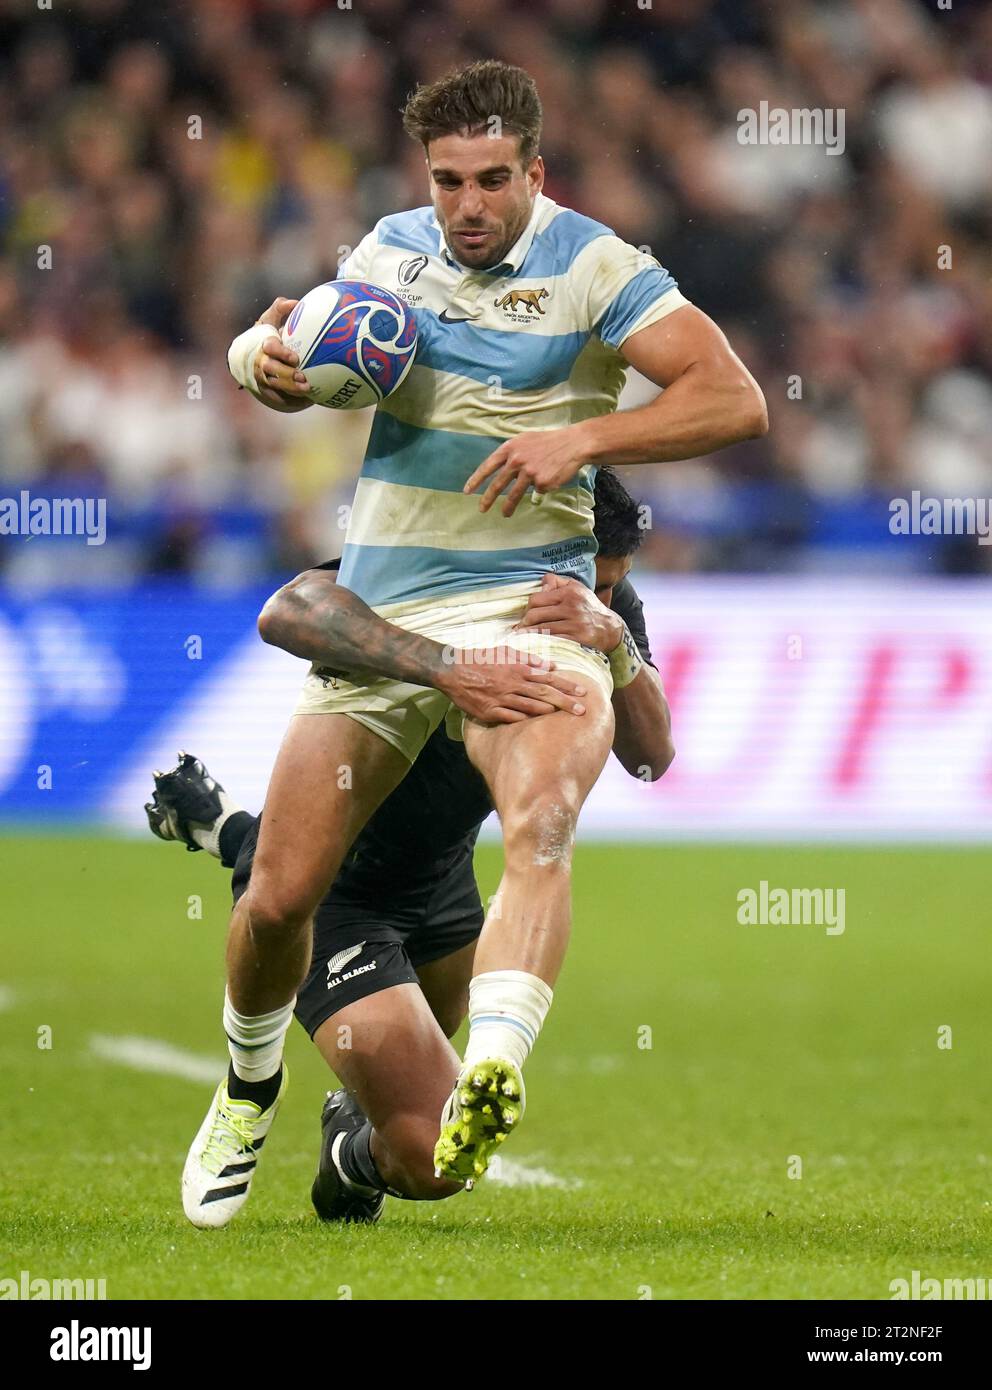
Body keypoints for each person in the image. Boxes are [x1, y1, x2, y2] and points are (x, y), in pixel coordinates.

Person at [187, 57, 766, 1227]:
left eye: (492, 180)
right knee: (278, 900)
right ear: (426, 178)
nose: (468, 206)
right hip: (388, 618)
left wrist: (585, 436)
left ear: (533, 174)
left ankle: (498, 1055)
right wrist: (269, 367)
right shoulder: (387, 249)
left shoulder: (599, 268)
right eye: (449, 180)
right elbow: (286, 346)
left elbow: (733, 398)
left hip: (527, 607)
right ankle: (249, 1082)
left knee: (542, 821)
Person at [151, 471, 673, 1222]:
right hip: (344, 899)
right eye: (590, 578)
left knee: (428, 1069)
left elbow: (653, 755)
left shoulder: (601, 601)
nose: (599, 594)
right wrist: (443, 667)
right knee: (436, 1161)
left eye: (611, 583)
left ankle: (346, 1145)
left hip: (442, 881)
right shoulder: (438, 562)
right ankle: (265, 1094)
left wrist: (615, 641)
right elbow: (287, 609)